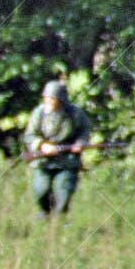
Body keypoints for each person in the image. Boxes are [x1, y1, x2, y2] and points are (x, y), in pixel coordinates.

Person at [25, 79, 92, 218]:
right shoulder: (39, 113)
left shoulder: (75, 113)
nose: (48, 101)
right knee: (41, 190)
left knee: (64, 193)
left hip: (67, 160)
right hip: (43, 160)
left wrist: (80, 143)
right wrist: (42, 145)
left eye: (52, 98)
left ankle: (59, 221)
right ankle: (45, 214)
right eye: (46, 98)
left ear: (61, 99)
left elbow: (85, 130)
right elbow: (29, 135)